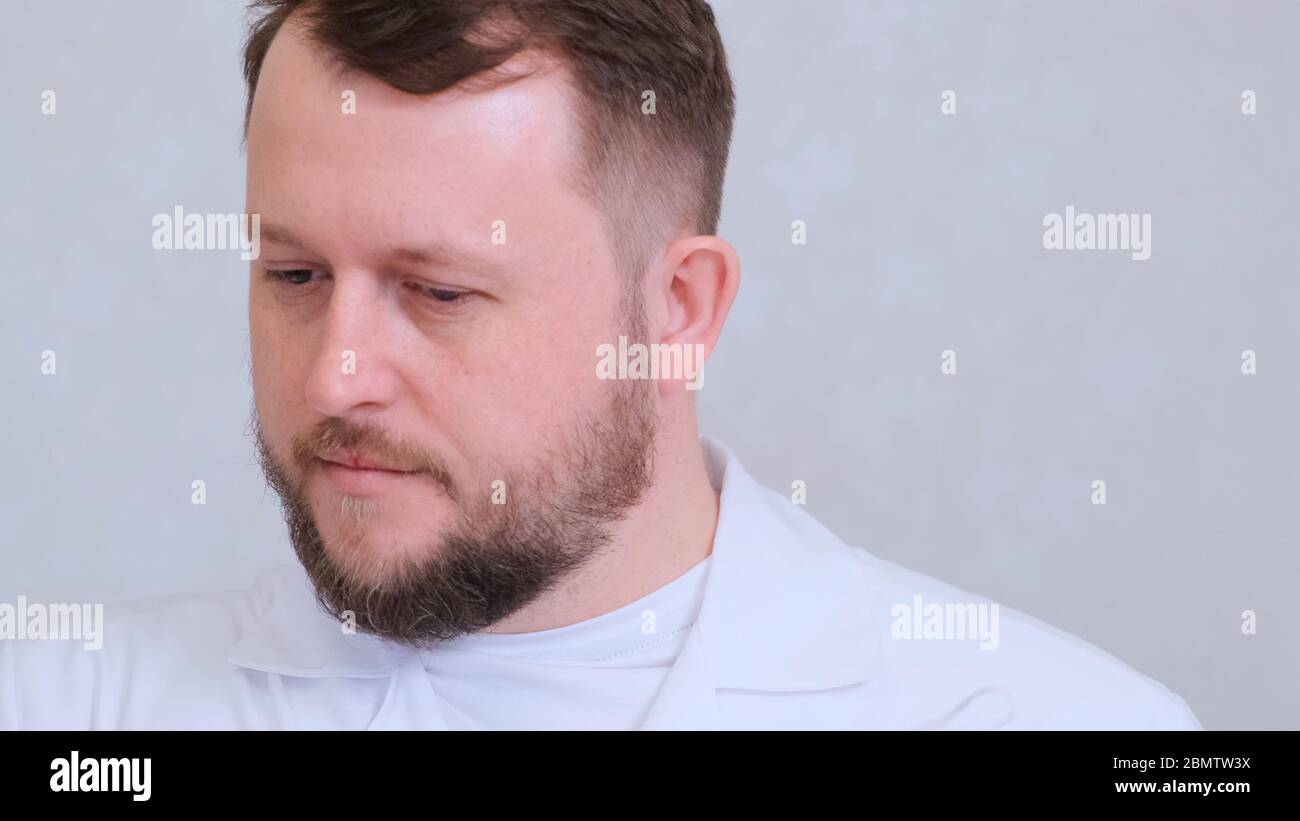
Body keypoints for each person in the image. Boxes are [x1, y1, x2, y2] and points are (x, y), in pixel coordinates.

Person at [0, 0, 1200, 730]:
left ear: (677, 310)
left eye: (439, 291)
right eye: (294, 276)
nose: (334, 378)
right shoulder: (65, 711)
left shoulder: (1036, 723)